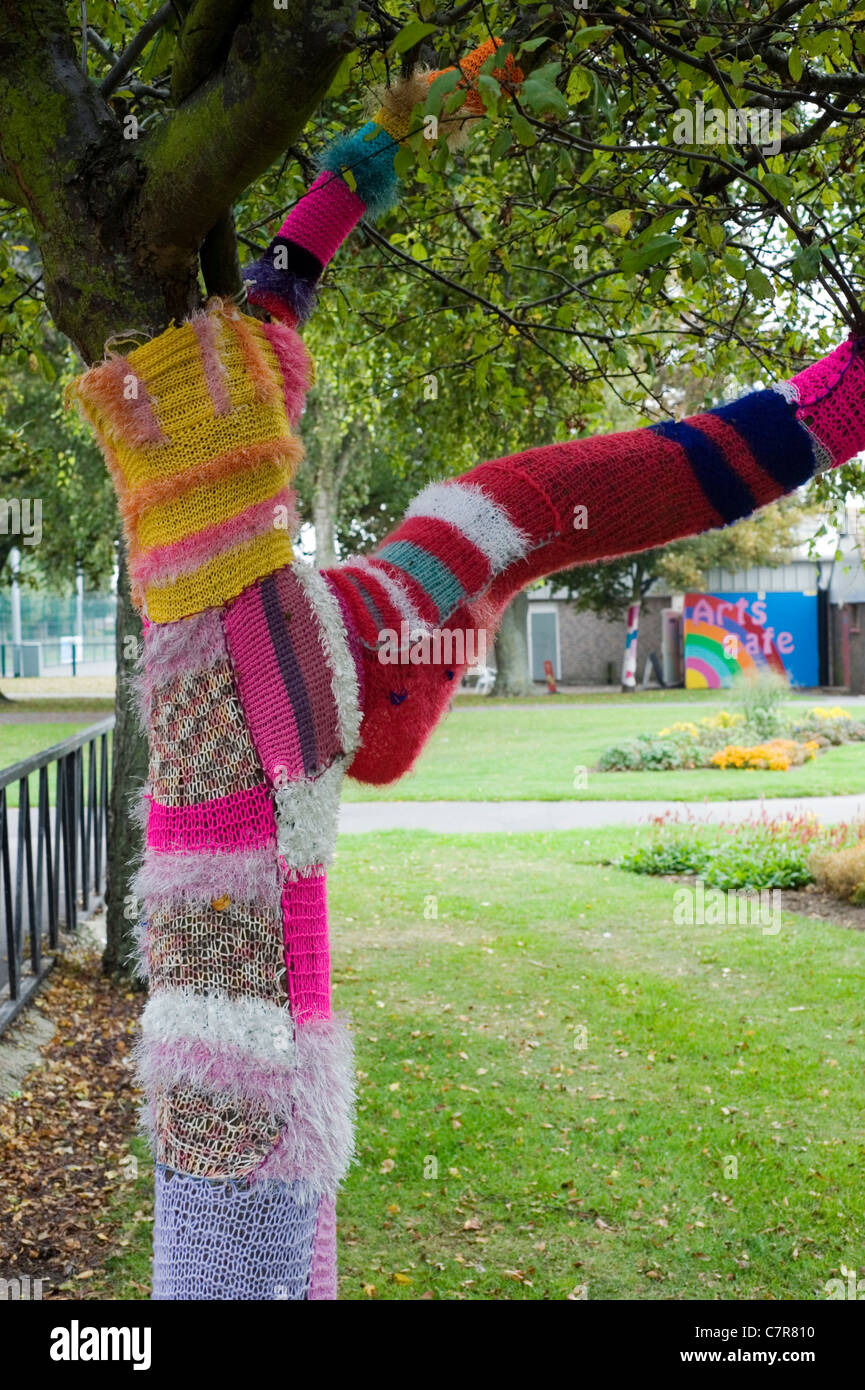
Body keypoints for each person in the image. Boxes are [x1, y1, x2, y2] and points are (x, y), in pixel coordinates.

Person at [69, 38, 865, 1300]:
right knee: (530, 503)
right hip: (251, 1059)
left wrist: (390, 139)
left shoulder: (200, 590)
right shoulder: (298, 623)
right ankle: (838, 403)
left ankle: (836, 404)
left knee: (522, 508)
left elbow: (281, 285)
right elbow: (287, 292)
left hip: (224, 1036)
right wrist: (397, 132)